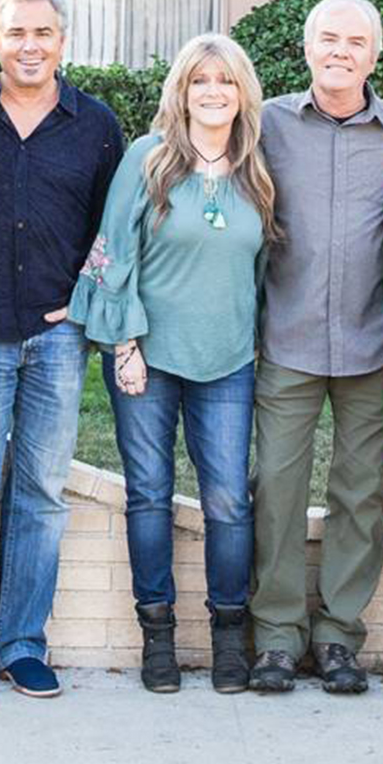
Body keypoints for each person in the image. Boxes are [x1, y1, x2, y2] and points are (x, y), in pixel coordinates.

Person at [68, 34, 278, 695]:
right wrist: (124, 345)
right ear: (181, 91)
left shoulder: (258, 169)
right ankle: (156, 636)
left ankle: (226, 637)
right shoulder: (149, 158)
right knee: (150, 497)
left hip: (227, 362)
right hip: (148, 359)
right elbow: (113, 251)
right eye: (199, 81)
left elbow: (262, 269)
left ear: (243, 92)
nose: (213, 91)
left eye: (225, 80)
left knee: (227, 503)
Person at [0, 0, 124, 700]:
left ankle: (22, 642)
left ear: (63, 42)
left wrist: (85, 296)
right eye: (16, 32)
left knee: (42, 493)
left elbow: (113, 232)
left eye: (42, 33)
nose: (29, 45)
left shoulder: (95, 124)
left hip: (56, 338)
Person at [248, 0, 383, 694]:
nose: (340, 52)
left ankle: (340, 636)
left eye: (355, 42)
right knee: (278, 492)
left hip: (372, 341)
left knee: (362, 493)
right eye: (328, 39)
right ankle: (276, 637)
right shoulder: (267, 125)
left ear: (375, 56)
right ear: (307, 47)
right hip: (286, 339)